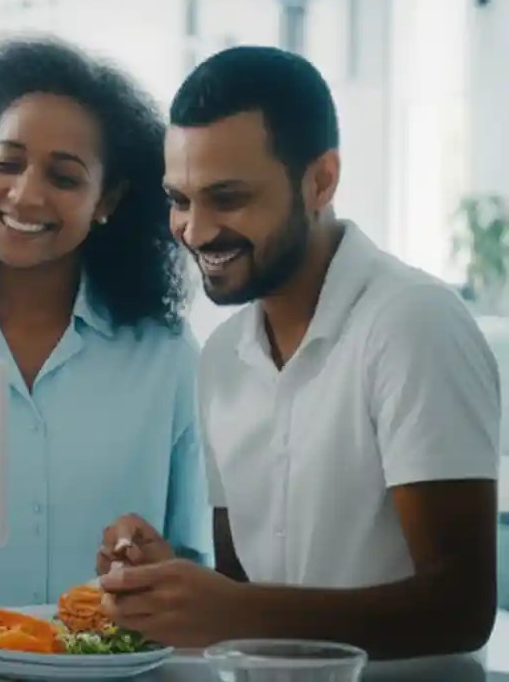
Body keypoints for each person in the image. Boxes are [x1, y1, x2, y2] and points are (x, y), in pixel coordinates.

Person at [97, 46, 500, 660]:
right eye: (180, 199)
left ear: (321, 181)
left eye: (227, 198)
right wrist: (172, 584)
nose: (196, 230)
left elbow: (460, 609)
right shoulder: (222, 357)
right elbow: (243, 594)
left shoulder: (413, 324)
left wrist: (231, 611)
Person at [0, 37, 212, 666]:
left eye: (64, 177)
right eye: (7, 163)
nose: (24, 196)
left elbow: (194, 557)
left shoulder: (165, 355)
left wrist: (153, 562)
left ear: (106, 200)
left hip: (107, 672)